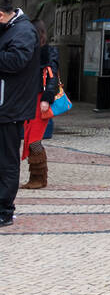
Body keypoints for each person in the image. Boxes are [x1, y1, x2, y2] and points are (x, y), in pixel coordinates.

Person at [0, 0, 40, 224]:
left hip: (10, 107)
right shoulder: (10, 29)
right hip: (5, 105)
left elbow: (16, 60)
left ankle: (4, 210)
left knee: (6, 162)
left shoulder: (23, 31)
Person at [21, 21, 60, 190]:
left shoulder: (47, 52)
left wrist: (46, 98)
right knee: (30, 137)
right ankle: (37, 176)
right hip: (30, 99)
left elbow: (52, 78)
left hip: (40, 99)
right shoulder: (31, 51)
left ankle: (38, 177)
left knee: (34, 139)